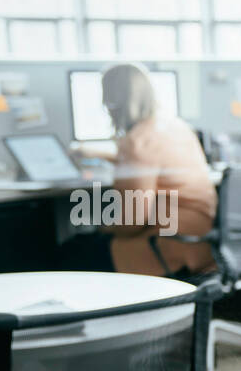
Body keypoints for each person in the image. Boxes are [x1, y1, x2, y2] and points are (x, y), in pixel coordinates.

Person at [64, 63, 217, 276]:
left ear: (114, 103)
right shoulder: (175, 126)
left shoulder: (138, 141)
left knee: (70, 251)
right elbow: (152, 162)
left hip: (168, 244)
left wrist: (102, 227)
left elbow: (132, 222)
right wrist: (102, 154)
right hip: (200, 239)